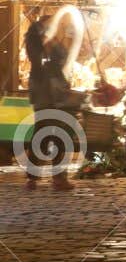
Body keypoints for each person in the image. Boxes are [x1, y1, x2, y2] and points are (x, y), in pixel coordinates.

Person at [25, 31, 81, 191]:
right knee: (53, 138)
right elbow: (60, 57)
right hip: (49, 100)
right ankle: (55, 178)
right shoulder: (41, 52)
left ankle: (38, 178)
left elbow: (62, 57)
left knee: (47, 138)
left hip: (48, 100)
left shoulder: (41, 53)